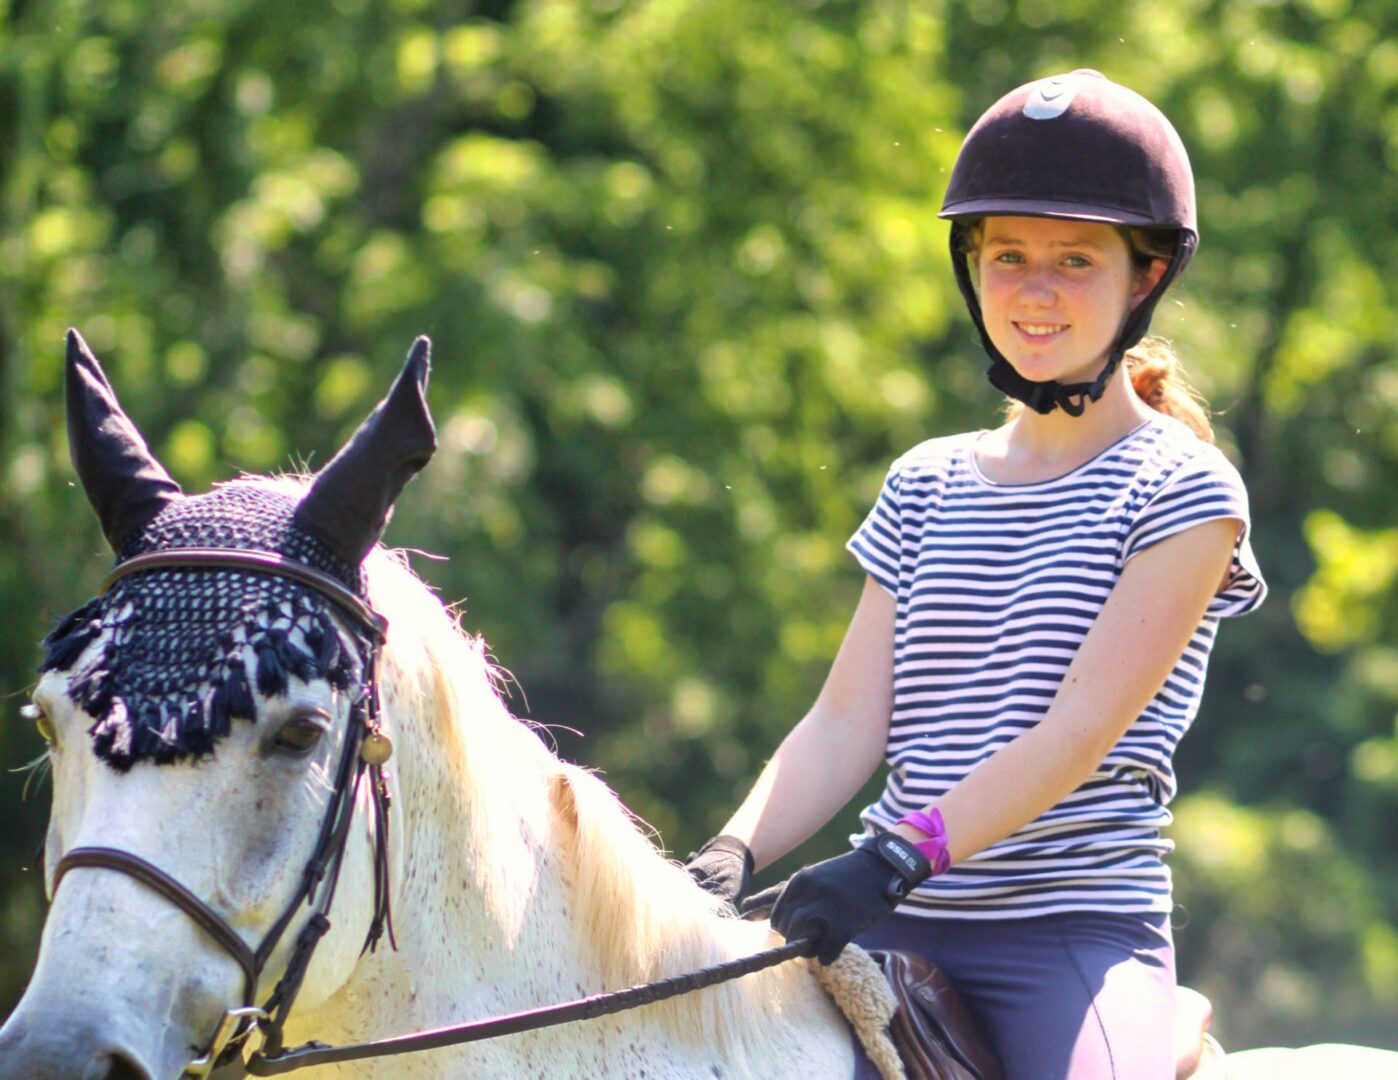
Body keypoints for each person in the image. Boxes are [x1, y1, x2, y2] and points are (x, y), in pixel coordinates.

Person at [685, 69, 1266, 1079]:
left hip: (1069, 942)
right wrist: (728, 854)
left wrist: (898, 853)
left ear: (1147, 277)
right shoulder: (923, 482)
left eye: (1076, 260)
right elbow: (843, 722)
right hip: (889, 920)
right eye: (1009, 257)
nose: (1035, 290)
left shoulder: (1186, 492)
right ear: (972, 270)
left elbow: (1076, 733)